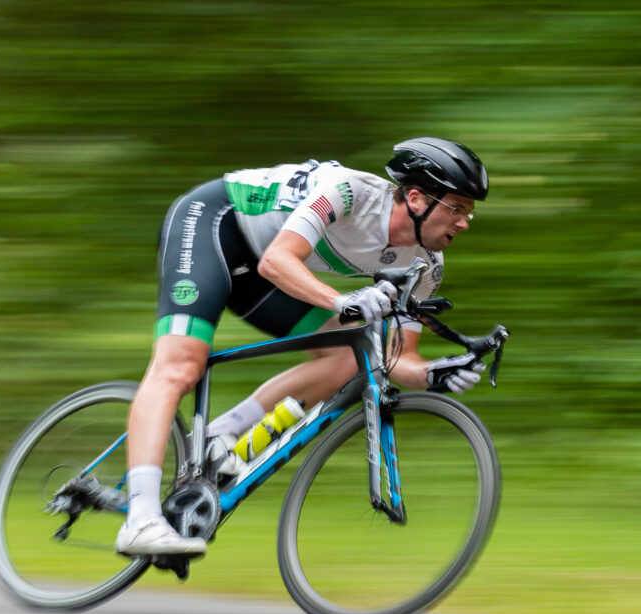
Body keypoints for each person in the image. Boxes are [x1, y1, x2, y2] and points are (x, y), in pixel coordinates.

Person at [115, 137, 490, 556]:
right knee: (181, 366)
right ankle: (140, 520)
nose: (464, 223)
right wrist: (341, 301)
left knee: (349, 359)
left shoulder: (425, 266)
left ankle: (220, 436)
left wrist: (433, 373)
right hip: (215, 225)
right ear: (417, 199)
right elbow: (278, 260)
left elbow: (397, 359)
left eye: (469, 212)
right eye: (457, 208)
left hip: (263, 271)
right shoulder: (350, 193)